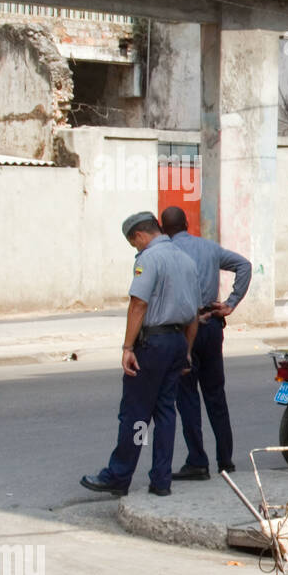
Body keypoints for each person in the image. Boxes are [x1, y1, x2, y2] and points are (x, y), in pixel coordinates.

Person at [80, 212, 199, 498]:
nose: (136, 248)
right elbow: (194, 314)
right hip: (177, 343)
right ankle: (161, 480)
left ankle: (119, 475)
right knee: (166, 413)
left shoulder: (148, 259)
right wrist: (188, 351)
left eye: (134, 244)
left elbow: (138, 304)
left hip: (153, 345)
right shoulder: (186, 260)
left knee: (136, 415)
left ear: (139, 236)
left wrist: (127, 348)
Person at [158, 207, 252, 481]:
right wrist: (231, 303)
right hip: (211, 326)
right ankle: (226, 460)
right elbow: (244, 265)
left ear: (164, 229)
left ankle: (197, 461)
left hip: (184, 330)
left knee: (187, 398)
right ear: (187, 223)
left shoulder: (166, 254)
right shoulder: (209, 248)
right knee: (216, 396)